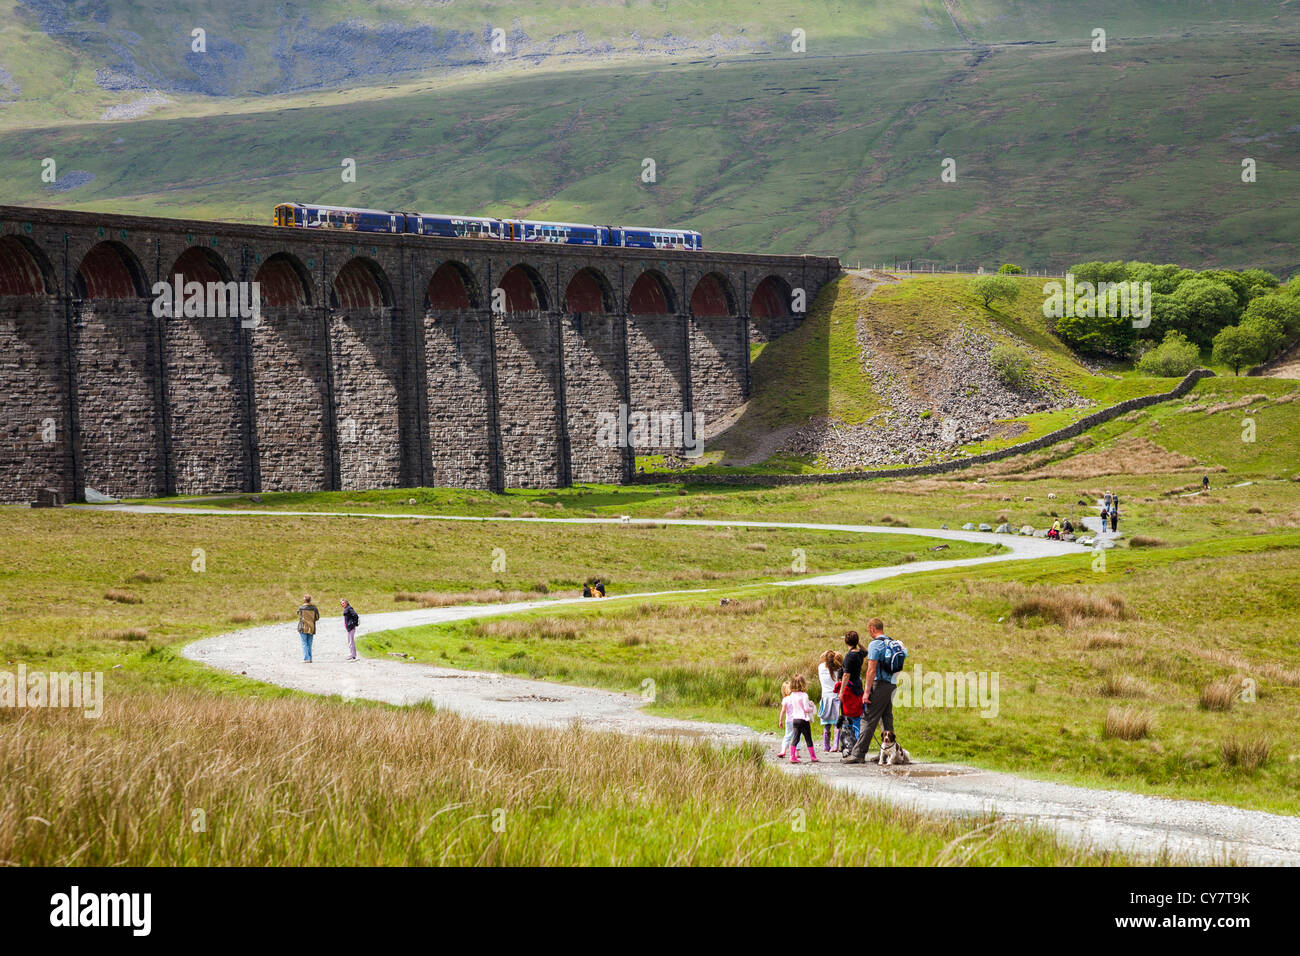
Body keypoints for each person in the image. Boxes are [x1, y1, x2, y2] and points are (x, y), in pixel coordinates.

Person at [844, 618, 901, 764]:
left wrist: (867, 692)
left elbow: (871, 670)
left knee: (868, 719)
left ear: (872, 629)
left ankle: (858, 753)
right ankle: (890, 753)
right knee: (886, 718)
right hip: (892, 685)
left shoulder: (875, 645)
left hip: (880, 684)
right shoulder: (892, 642)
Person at [782, 673, 818, 763]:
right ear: (803, 683)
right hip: (804, 720)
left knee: (795, 738)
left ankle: (792, 756)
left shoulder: (792, 695)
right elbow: (806, 709)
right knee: (808, 738)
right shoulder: (804, 695)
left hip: (795, 720)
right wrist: (812, 707)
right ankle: (813, 757)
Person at [839, 631, 866, 743]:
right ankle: (858, 740)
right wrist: (858, 642)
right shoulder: (859, 653)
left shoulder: (850, 656)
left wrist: (841, 691)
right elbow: (866, 651)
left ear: (846, 642)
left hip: (850, 688)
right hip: (858, 685)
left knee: (849, 714)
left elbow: (846, 675)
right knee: (857, 714)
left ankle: (850, 741)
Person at [817, 650, 842, 752]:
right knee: (836, 723)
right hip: (835, 697)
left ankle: (826, 746)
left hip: (825, 698)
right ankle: (835, 745)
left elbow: (820, 657)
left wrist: (826, 652)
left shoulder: (821, 667)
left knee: (826, 724)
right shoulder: (839, 669)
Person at [297, 595, 320, 664]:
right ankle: (310, 658)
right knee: (309, 643)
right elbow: (317, 617)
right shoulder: (314, 608)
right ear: (310, 600)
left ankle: (306, 658)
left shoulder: (301, 608)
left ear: (304, 600)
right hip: (311, 627)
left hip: (303, 627)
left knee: (304, 643)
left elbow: (299, 615)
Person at [776, 680, 794, 759]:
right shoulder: (796, 697)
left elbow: (783, 711)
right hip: (797, 720)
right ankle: (796, 752)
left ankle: (783, 750)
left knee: (787, 736)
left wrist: (780, 720)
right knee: (797, 736)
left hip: (789, 721)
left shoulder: (785, 699)